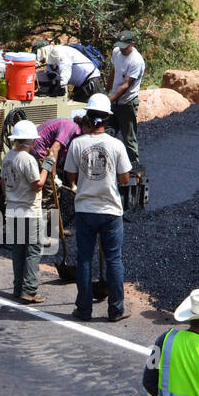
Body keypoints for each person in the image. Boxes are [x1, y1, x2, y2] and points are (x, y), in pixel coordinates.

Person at [64, 93, 131, 322]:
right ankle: (116, 309)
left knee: (84, 259)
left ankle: (84, 309)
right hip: (110, 210)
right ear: (107, 119)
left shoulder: (77, 144)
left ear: (88, 116)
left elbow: (70, 176)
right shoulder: (116, 145)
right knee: (114, 259)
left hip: (85, 209)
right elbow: (124, 179)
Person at [1, 120, 46, 304]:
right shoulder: (27, 159)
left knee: (18, 250)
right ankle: (29, 290)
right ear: (31, 141)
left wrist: (12, 196)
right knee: (33, 250)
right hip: (29, 211)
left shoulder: (8, 156)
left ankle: (18, 287)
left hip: (12, 210)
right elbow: (37, 185)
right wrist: (47, 167)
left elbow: (4, 183)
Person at [107, 30, 145, 166]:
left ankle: (134, 166)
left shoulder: (136, 61)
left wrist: (108, 100)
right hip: (113, 100)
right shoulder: (117, 52)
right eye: (120, 46)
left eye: (125, 47)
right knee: (107, 131)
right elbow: (113, 71)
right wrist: (107, 90)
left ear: (132, 44)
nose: (122, 49)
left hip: (127, 102)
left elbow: (126, 85)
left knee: (128, 137)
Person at [29, 113, 84, 182]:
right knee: (49, 184)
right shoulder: (71, 127)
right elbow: (53, 150)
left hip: (36, 147)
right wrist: (53, 175)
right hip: (40, 151)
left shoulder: (73, 129)